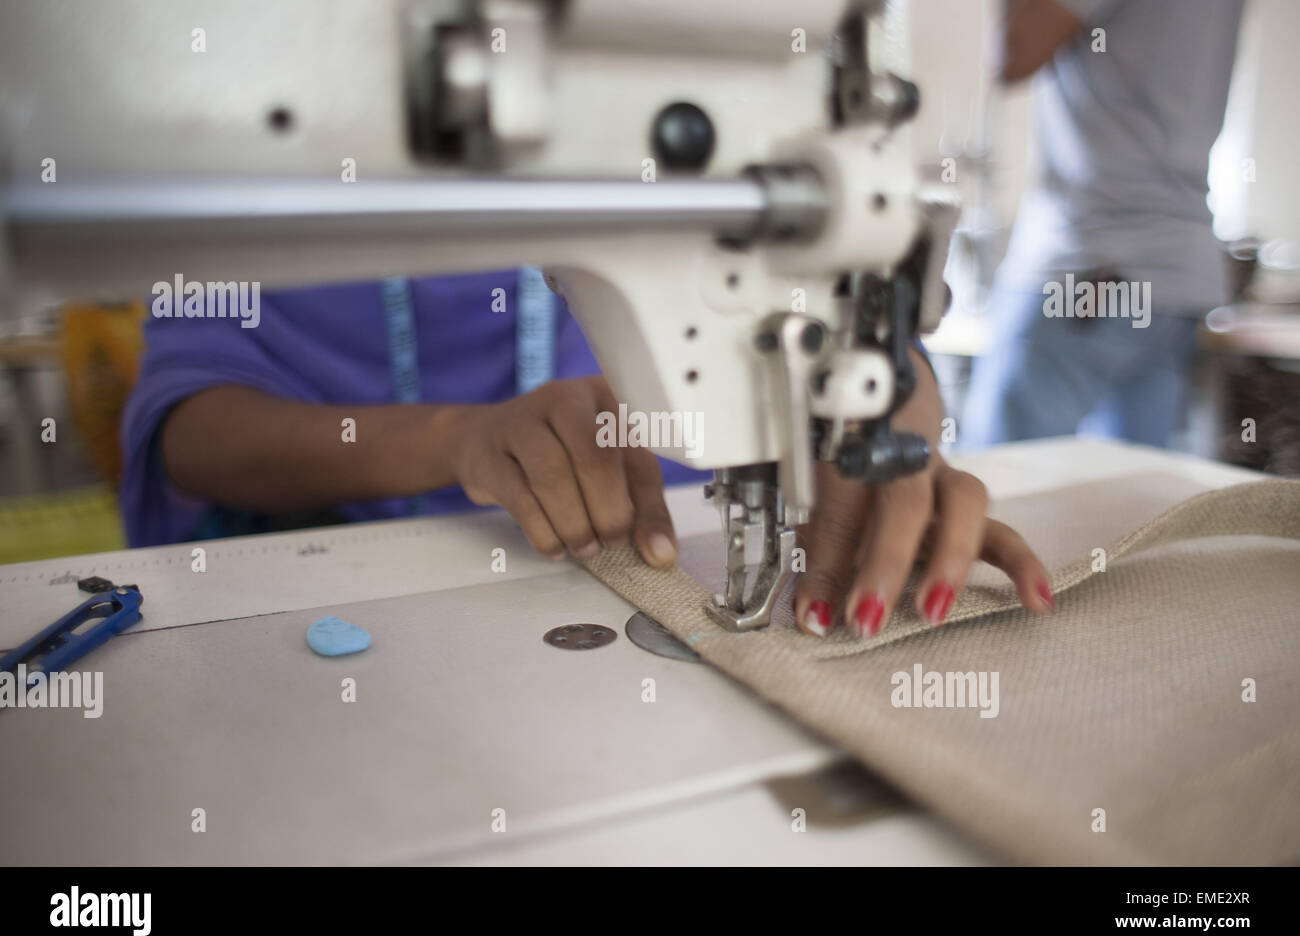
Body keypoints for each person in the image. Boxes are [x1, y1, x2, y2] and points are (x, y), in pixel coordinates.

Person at [122, 268, 1055, 641]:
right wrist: (457, 438)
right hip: (381, 583)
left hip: (660, 545)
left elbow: (882, 345)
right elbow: (191, 427)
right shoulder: (296, 110)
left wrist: (882, 443)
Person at [961, 0, 1245, 448]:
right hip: (1178, 276)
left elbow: (1012, 52)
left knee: (993, 489)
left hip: (1090, 270)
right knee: (1141, 507)